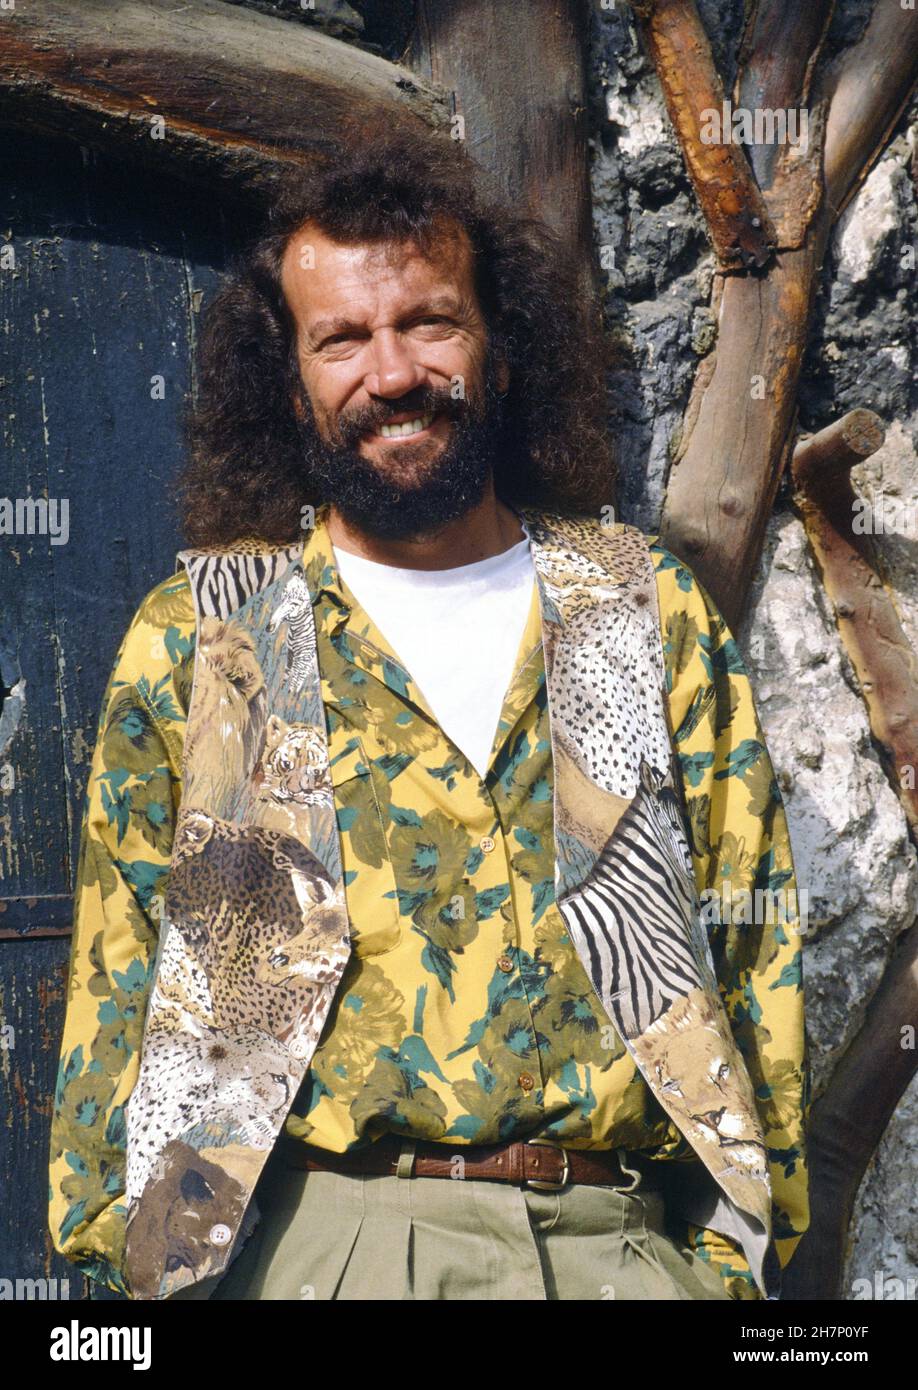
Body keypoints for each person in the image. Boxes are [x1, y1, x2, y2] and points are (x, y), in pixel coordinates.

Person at [47, 122, 809, 1302]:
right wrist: (136, 1274)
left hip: (620, 1249)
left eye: (430, 322)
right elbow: (117, 981)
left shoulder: (632, 605)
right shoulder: (212, 637)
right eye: (342, 338)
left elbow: (757, 941)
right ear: (289, 382)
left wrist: (726, 1264)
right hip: (327, 1250)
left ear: (498, 349)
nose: (394, 372)